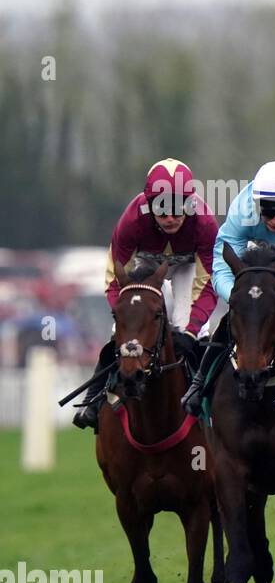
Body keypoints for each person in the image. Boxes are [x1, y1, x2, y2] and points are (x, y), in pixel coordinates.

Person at [72, 158, 218, 431]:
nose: (171, 218)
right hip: (145, 268)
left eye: (178, 209)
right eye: (162, 209)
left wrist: (191, 329)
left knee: (194, 335)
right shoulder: (132, 220)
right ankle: (94, 400)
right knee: (121, 334)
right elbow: (114, 279)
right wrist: (125, 318)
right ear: (149, 205)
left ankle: (205, 399)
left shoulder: (205, 223)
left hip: (187, 269)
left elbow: (209, 284)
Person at [181, 160, 275, 416]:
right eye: (268, 211)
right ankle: (199, 384)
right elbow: (221, 265)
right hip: (259, 247)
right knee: (242, 312)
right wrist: (238, 299)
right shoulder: (243, 211)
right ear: (257, 205)